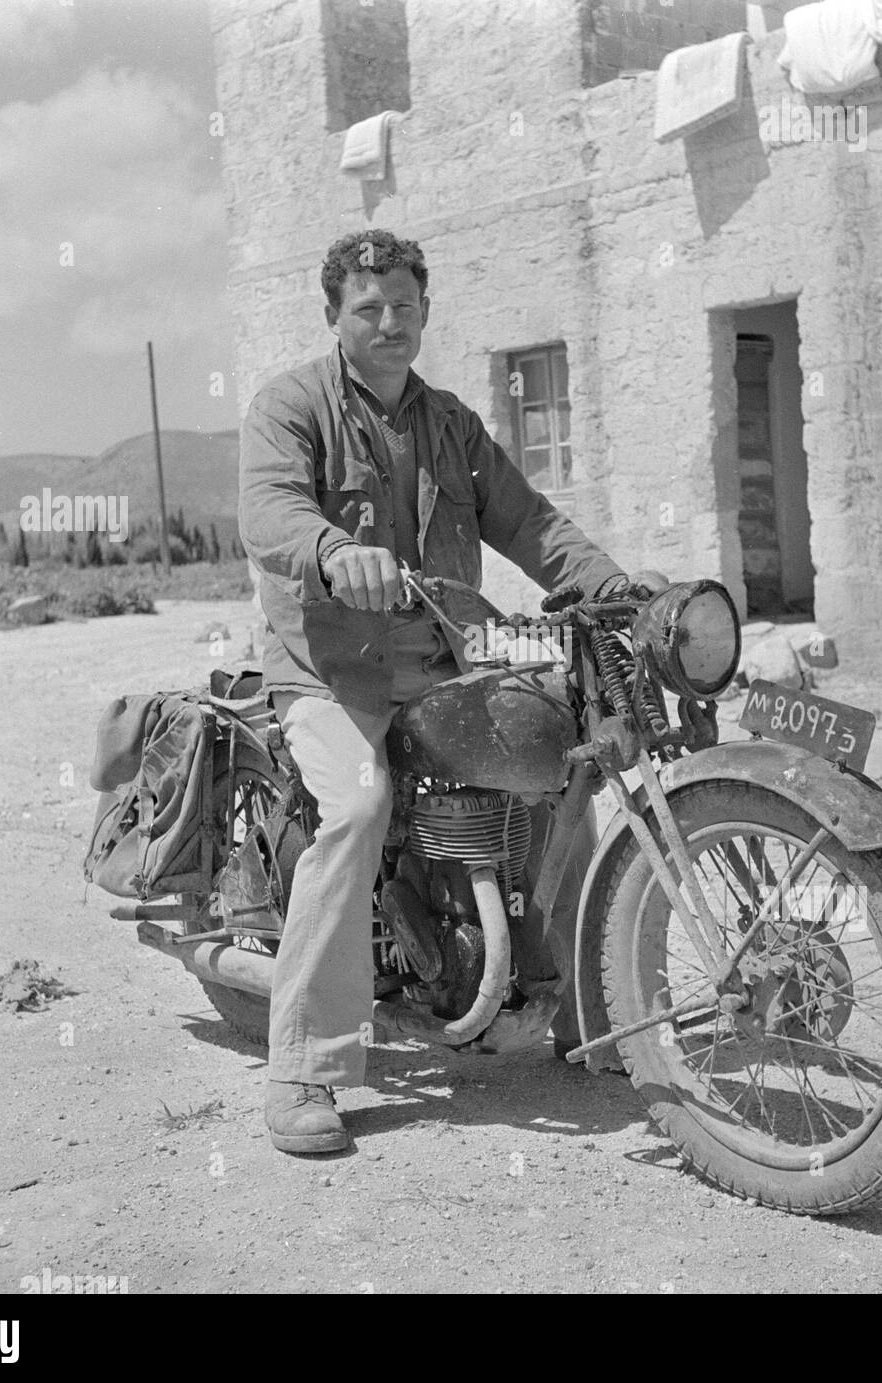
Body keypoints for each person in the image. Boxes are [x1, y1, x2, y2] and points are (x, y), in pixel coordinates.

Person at [239, 229, 633, 1154]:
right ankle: (307, 1064)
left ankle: (581, 1005)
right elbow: (269, 513)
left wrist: (615, 587)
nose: (389, 322)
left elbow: (529, 520)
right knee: (358, 806)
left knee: (564, 763)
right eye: (369, 307)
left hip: (445, 662)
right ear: (333, 314)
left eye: (405, 306)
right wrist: (334, 551)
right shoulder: (290, 406)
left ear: (425, 311)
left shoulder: (451, 422)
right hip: (332, 673)